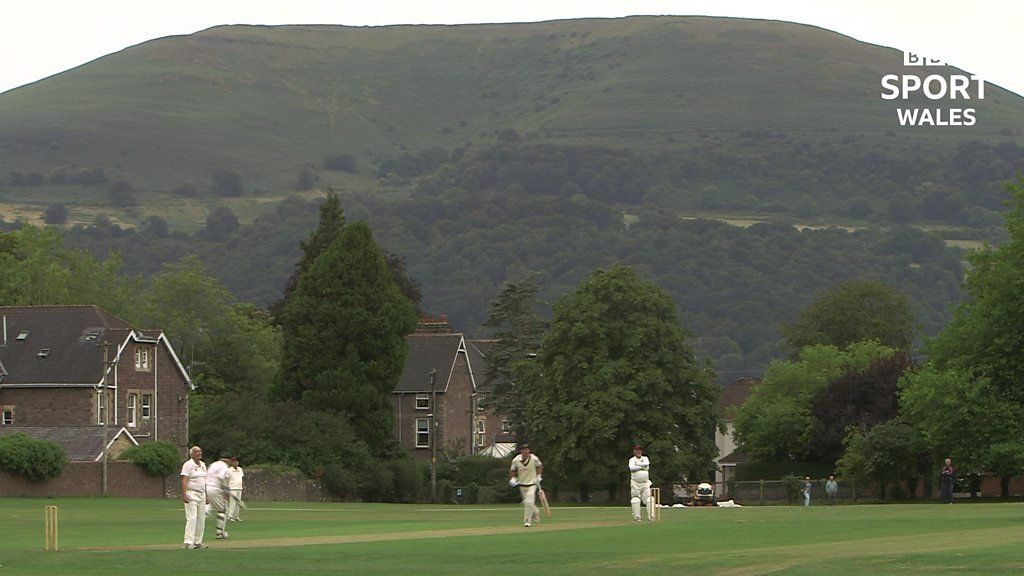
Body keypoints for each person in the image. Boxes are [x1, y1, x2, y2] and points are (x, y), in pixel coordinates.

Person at [509, 443, 543, 527]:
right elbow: (512, 470)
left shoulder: (534, 458)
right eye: (524, 450)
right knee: (527, 502)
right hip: (522, 484)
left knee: (529, 501)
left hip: (532, 484)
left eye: (527, 450)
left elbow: (539, 466)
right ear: (521, 451)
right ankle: (536, 512)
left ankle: (527, 521)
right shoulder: (516, 460)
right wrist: (513, 478)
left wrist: (539, 476)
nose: (526, 451)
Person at [180, 445, 207, 549]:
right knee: (192, 518)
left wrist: (207, 495)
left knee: (201, 519)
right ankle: (188, 542)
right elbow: (185, 480)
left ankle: (198, 541)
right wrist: (184, 494)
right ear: (191, 454)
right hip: (191, 493)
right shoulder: (188, 465)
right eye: (196, 452)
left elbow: (205, 481)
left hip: (202, 494)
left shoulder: (203, 465)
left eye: (200, 451)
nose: (199, 453)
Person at [206, 453, 234, 539]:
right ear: (227, 460)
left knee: (210, 506)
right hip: (215, 489)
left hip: (206, 487)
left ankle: (200, 517)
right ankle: (220, 532)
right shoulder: (224, 466)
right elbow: (221, 477)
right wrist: (226, 490)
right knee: (223, 510)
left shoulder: (213, 465)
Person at [628, 445, 655, 521]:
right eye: (637, 450)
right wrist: (642, 467)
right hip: (635, 483)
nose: (639, 452)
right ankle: (637, 517)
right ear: (634, 451)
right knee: (635, 499)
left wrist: (637, 466)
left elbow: (647, 465)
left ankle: (651, 516)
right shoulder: (632, 460)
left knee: (650, 499)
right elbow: (632, 468)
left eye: (640, 450)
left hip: (646, 483)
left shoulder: (645, 458)